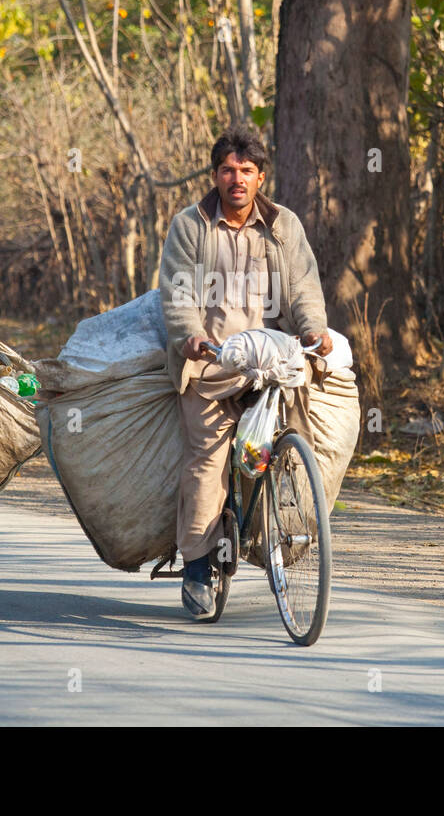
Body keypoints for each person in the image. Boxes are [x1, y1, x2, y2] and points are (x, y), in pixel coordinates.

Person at [159, 125, 332, 616]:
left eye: (247, 171)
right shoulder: (190, 226)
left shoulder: (284, 225)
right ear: (215, 176)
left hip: (271, 367)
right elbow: (178, 294)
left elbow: (303, 289)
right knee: (207, 463)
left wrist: (314, 329)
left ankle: (273, 539)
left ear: (261, 177)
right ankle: (196, 567)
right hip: (210, 369)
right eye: (228, 171)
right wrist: (190, 335)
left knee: (288, 454)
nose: (237, 179)